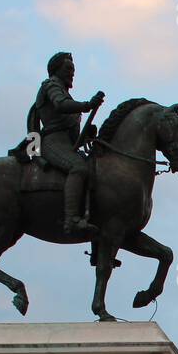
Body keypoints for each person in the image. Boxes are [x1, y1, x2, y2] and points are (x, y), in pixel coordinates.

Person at [30, 51, 106, 234]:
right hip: (52, 142)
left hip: (65, 144)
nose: (72, 73)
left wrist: (87, 133)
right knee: (78, 168)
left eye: (73, 69)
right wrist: (87, 105)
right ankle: (71, 219)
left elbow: (73, 135)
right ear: (57, 70)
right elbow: (60, 105)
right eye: (68, 68)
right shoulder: (51, 85)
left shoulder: (64, 93)